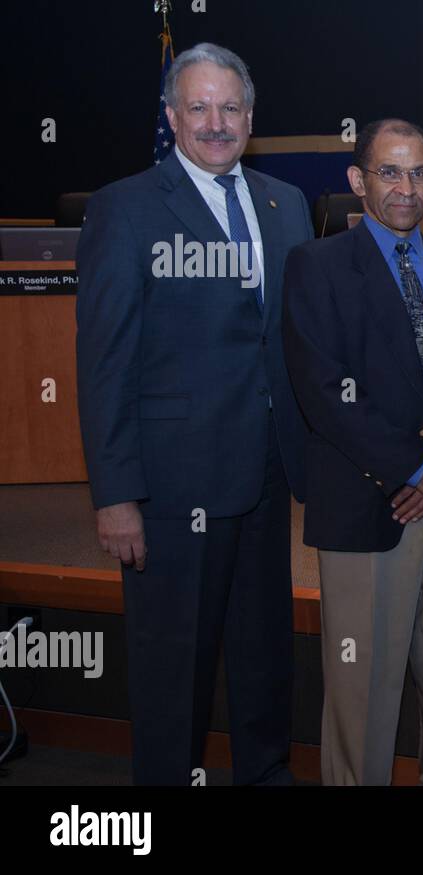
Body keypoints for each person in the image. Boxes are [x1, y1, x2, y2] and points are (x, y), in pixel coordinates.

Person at [75, 43, 313, 784]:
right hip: (173, 492)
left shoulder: (288, 203)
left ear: (251, 116)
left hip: (269, 478)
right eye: (199, 107)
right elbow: (104, 363)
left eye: (230, 107)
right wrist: (116, 494)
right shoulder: (126, 208)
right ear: (172, 117)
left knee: (264, 663)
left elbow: (296, 340)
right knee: (172, 677)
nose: (217, 122)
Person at [282, 119, 423, 785]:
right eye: (389, 171)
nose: (406, 186)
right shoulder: (317, 265)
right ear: (357, 181)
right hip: (369, 508)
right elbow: (324, 391)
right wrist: (418, 466)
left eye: (419, 172)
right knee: (361, 697)